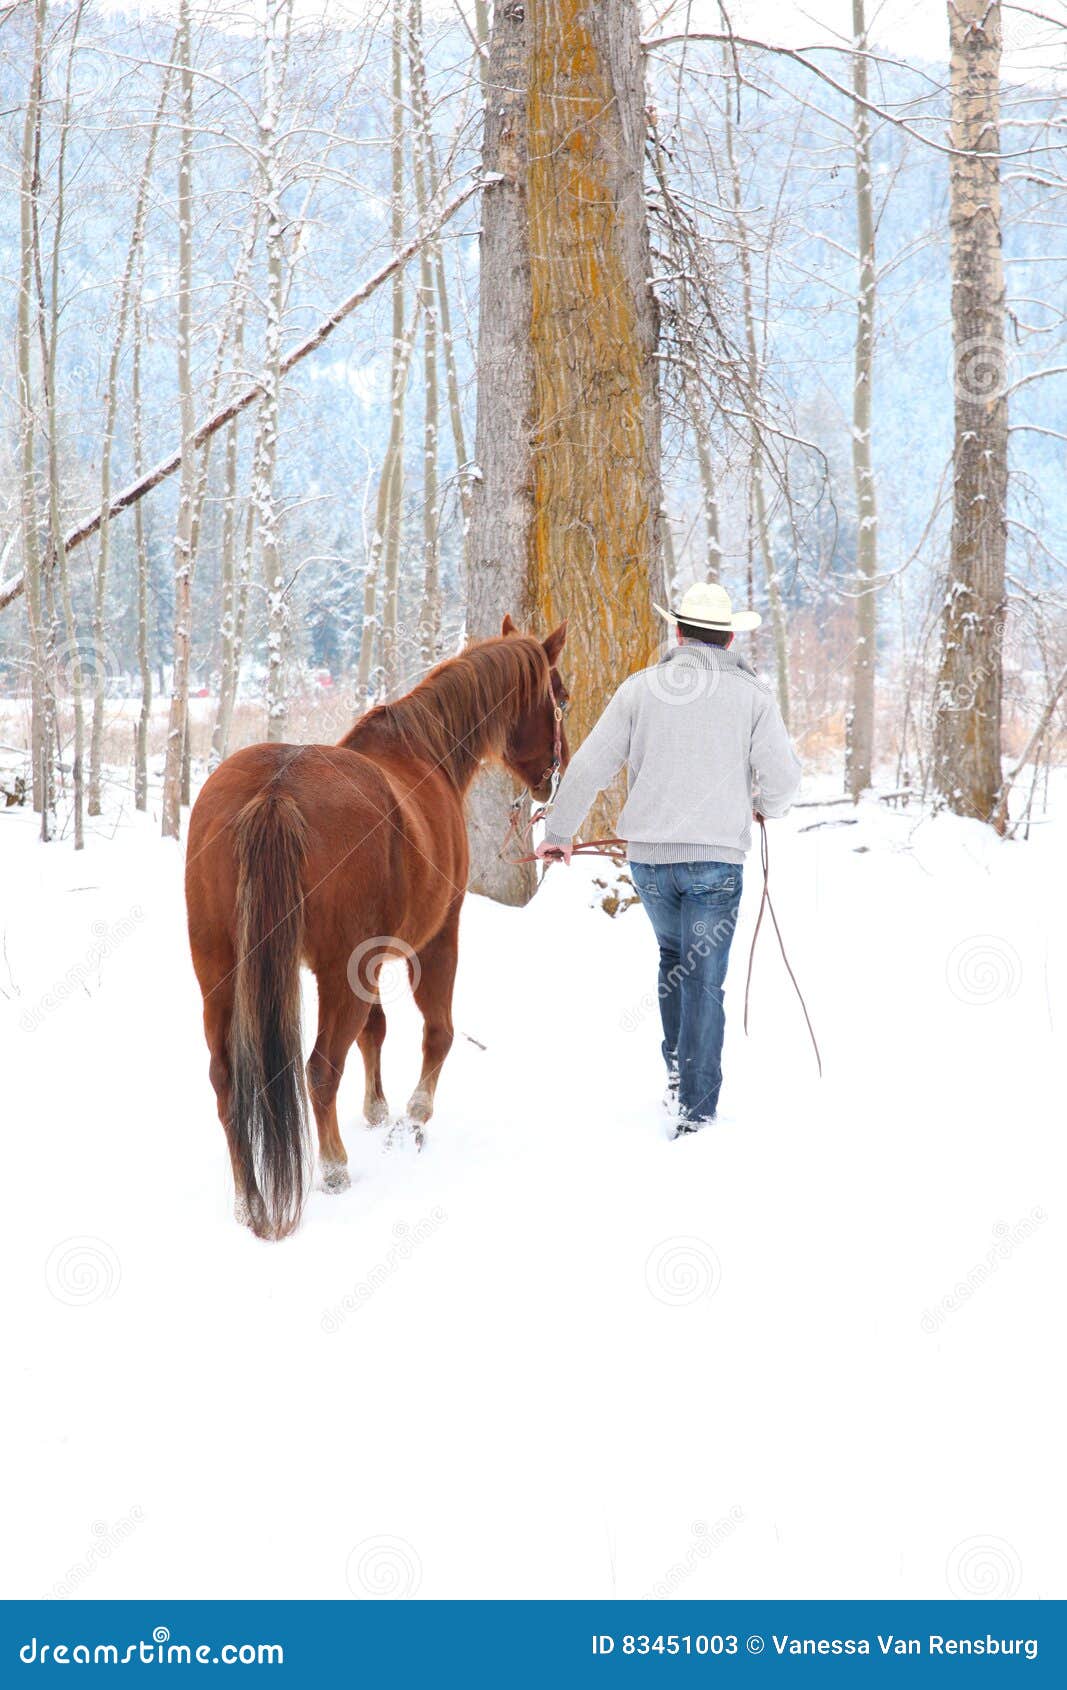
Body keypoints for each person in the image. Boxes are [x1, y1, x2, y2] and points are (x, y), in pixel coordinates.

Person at [535, 582, 801, 1134]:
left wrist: (559, 832)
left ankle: (679, 1076)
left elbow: (587, 766)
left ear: (678, 632)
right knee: (703, 978)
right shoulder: (752, 697)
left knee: (674, 960)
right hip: (716, 864)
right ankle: (697, 1110)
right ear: (728, 638)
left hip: (651, 864)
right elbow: (783, 780)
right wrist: (763, 806)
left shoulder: (639, 690)